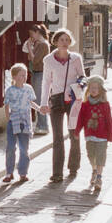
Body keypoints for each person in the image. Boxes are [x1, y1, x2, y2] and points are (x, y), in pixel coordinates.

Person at [42, 29, 86, 182]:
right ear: (56, 41)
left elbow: (82, 76)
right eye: (62, 39)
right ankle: (57, 173)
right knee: (57, 137)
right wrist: (43, 103)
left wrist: (78, 85)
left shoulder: (76, 58)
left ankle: (73, 167)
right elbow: (46, 82)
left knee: (74, 134)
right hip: (56, 99)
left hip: (73, 100)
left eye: (67, 40)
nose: (65, 43)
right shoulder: (48, 60)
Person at [1, 63, 42, 184]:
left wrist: (39, 109)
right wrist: (8, 118)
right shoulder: (10, 90)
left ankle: (23, 173)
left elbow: (31, 102)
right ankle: (9, 173)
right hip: (13, 121)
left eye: (25, 75)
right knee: (10, 148)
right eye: (20, 75)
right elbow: (6, 105)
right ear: (14, 77)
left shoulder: (28, 88)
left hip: (25, 121)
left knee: (24, 149)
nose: (23, 77)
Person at [74, 75, 112, 194]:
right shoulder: (85, 105)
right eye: (91, 87)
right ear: (88, 89)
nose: (94, 90)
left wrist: (110, 135)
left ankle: (99, 178)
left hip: (102, 136)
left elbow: (109, 120)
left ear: (100, 90)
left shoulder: (105, 104)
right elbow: (80, 119)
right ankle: (94, 170)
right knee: (91, 156)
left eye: (96, 88)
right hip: (89, 135)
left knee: (100, 156)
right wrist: (77, 131)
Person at [22, 23, 51, 135]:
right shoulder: (39, 44)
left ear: (38, 33)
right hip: (36, 73)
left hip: (40, 73)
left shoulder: (43, 45)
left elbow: (34, 60)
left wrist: (30, 48)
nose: (31, 36)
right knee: (37, 99)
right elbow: (30, 57)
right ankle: (41, 125)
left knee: (39, 100)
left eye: (32, 33)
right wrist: (30, 48)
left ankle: (43, 126)